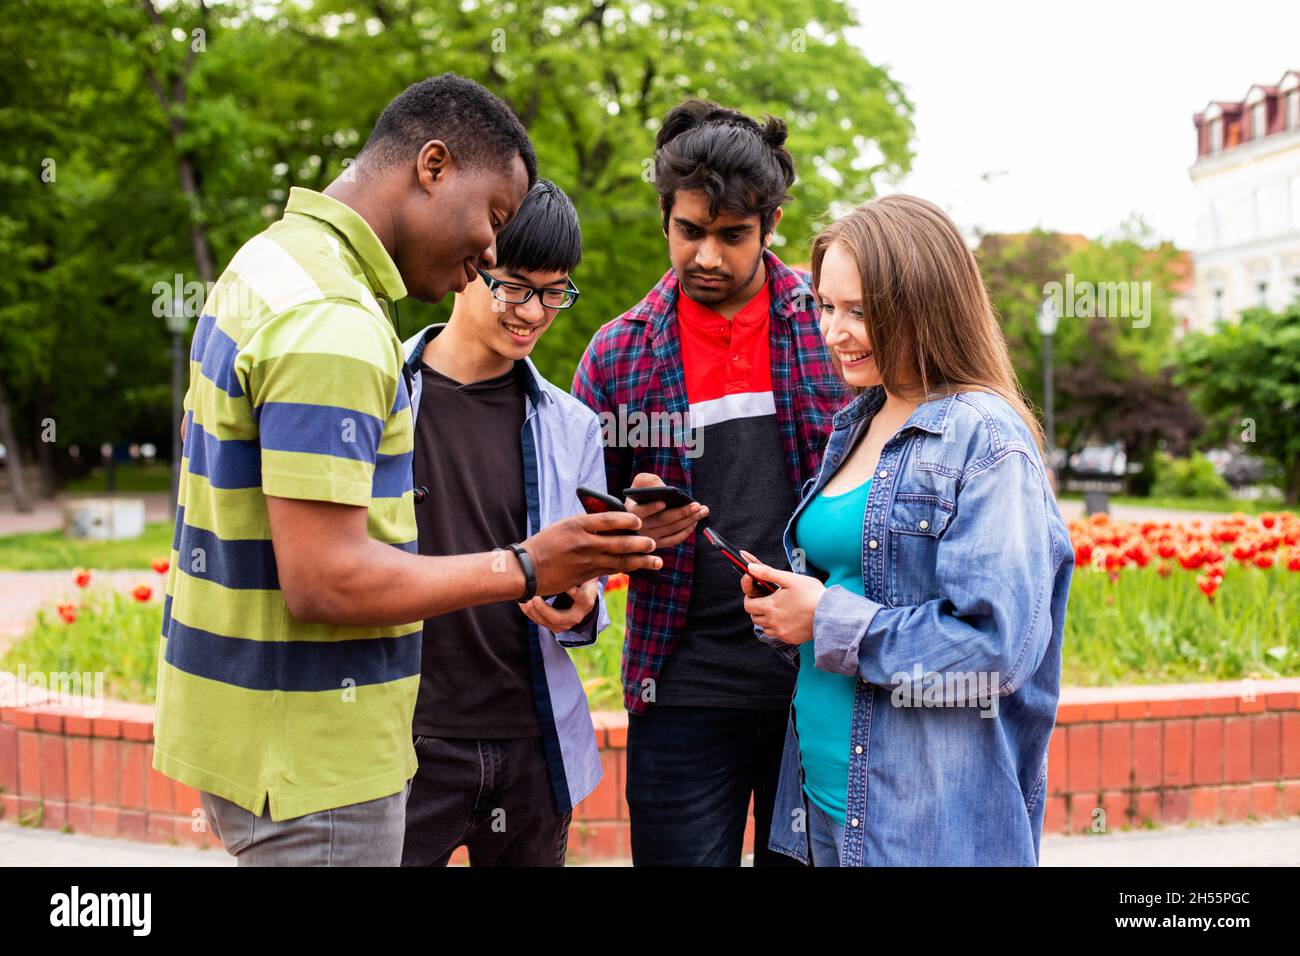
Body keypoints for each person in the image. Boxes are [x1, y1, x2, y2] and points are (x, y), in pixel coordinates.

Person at [154, 74, 661, 867]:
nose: (489, 253)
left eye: (551, 294)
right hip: (319, 760)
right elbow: (325, 580)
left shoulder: (268, 265)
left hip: (262, 747)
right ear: (432, 165)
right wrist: (526, 565)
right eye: (494, 220)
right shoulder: (337, 322)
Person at [738, 195, 1074, 866]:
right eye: (825, 306)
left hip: (920, 822)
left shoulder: (986, 438)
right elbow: (860, 586)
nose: (834, 332)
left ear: (923, 304)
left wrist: (827, 617)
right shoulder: (857, 422)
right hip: (818, 800)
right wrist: (789, 610)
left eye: (859, 311)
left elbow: (996, 651)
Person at [572, 100, 848, 867]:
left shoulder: (834, 330)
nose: (708, 257)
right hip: (680, 691)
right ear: (665, 216)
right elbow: (573, 527)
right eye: (689, 231)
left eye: (732, 236)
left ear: (772, 224)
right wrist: (627, 534)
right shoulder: (617, 354)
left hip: (819, 681)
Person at [399, 179, 608, 867]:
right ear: (470, 264)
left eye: (555, 292)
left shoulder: (574, 425)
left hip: (533, 746)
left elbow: (584, 588)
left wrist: (583, 601)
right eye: (515, 287)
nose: (534, 312)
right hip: (405, 741)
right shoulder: (380, 395)